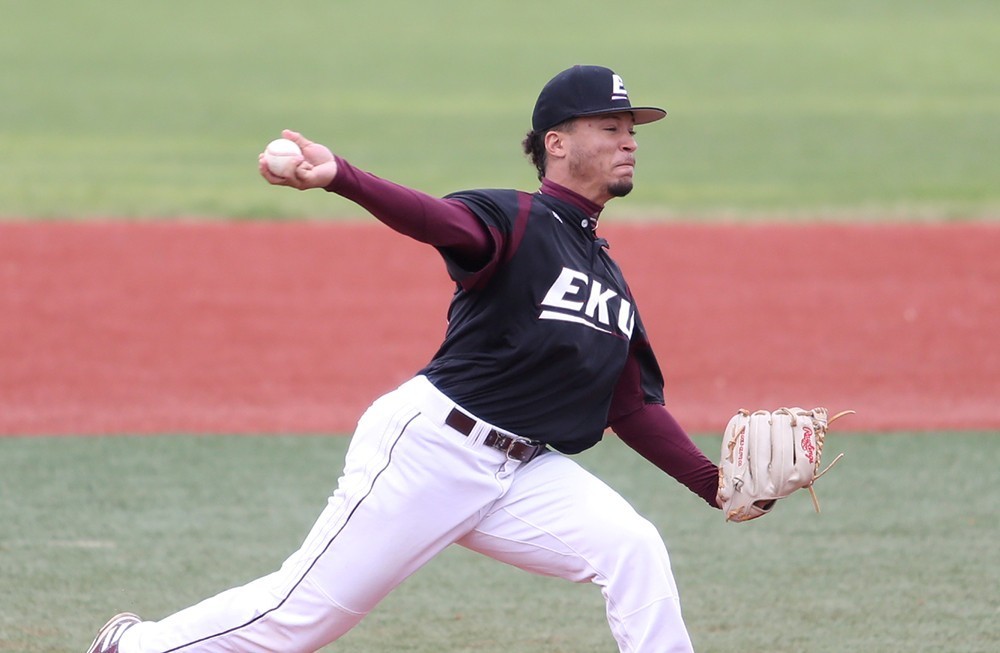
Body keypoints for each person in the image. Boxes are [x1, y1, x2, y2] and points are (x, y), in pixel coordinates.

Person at [87, 64, 721, 653]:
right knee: (302, 617)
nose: (629, 142)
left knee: (633, 547)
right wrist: (341, 176)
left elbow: (630, 406)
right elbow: (438, 221)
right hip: (431, 451)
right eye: (610, 128)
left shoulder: (607, 278)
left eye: (631, 131)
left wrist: (715, 486)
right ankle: (134, 646)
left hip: (524, 473)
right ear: (556, 143)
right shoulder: (514, 217)